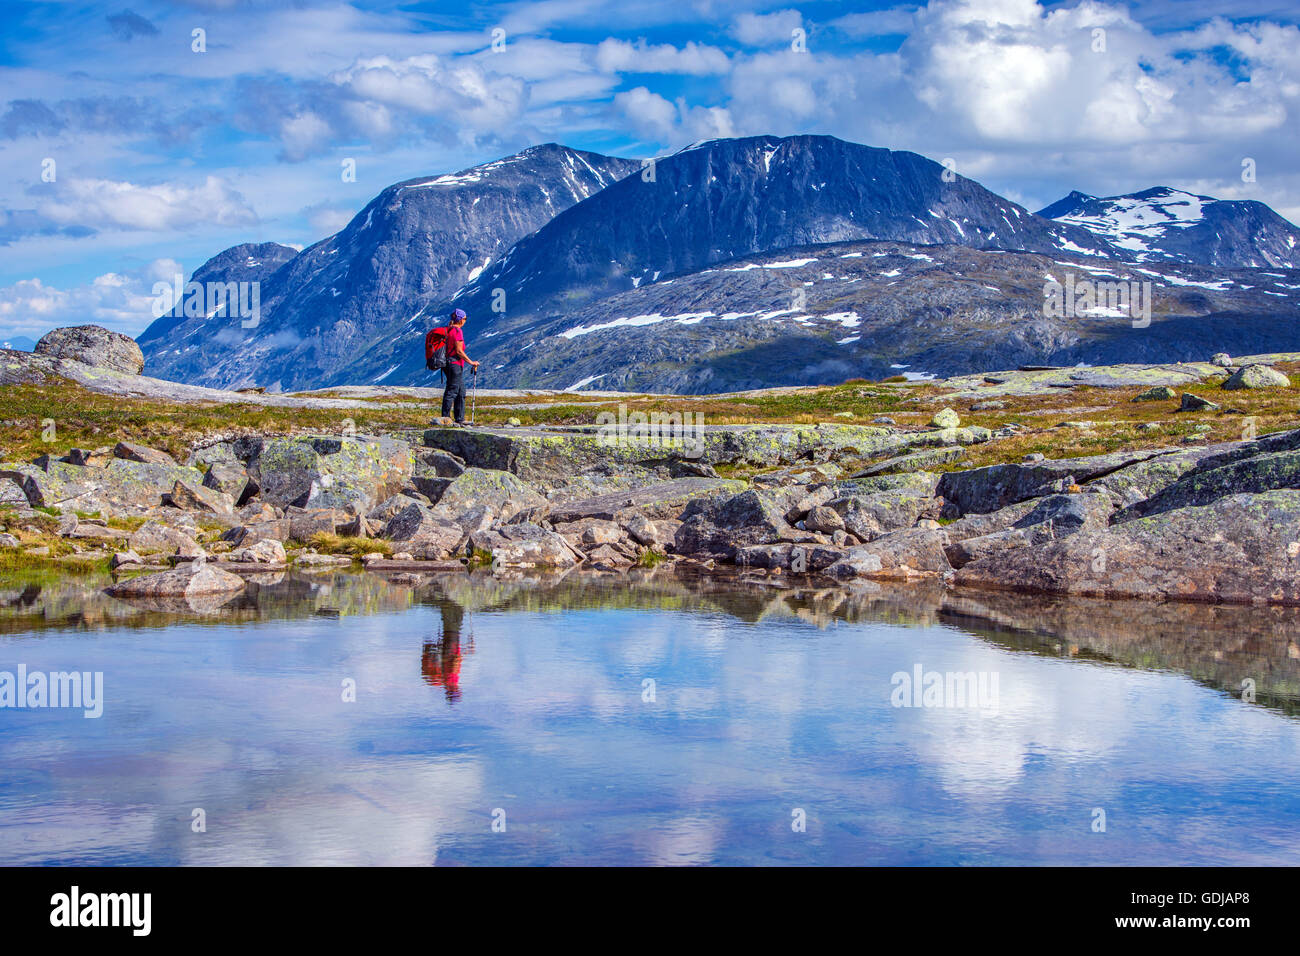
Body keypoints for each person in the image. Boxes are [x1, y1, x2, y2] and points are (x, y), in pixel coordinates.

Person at [440, 308, 479, 425]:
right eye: (465, 318)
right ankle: (445, 418)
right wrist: (471, 362)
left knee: (461, 391)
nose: (465, 321)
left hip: (448, 364)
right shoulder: (457, 331)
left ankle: (459, 418)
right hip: (454, 364)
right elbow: (459, 351)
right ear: (461, 320)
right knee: (452, 390)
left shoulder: (449, 330)